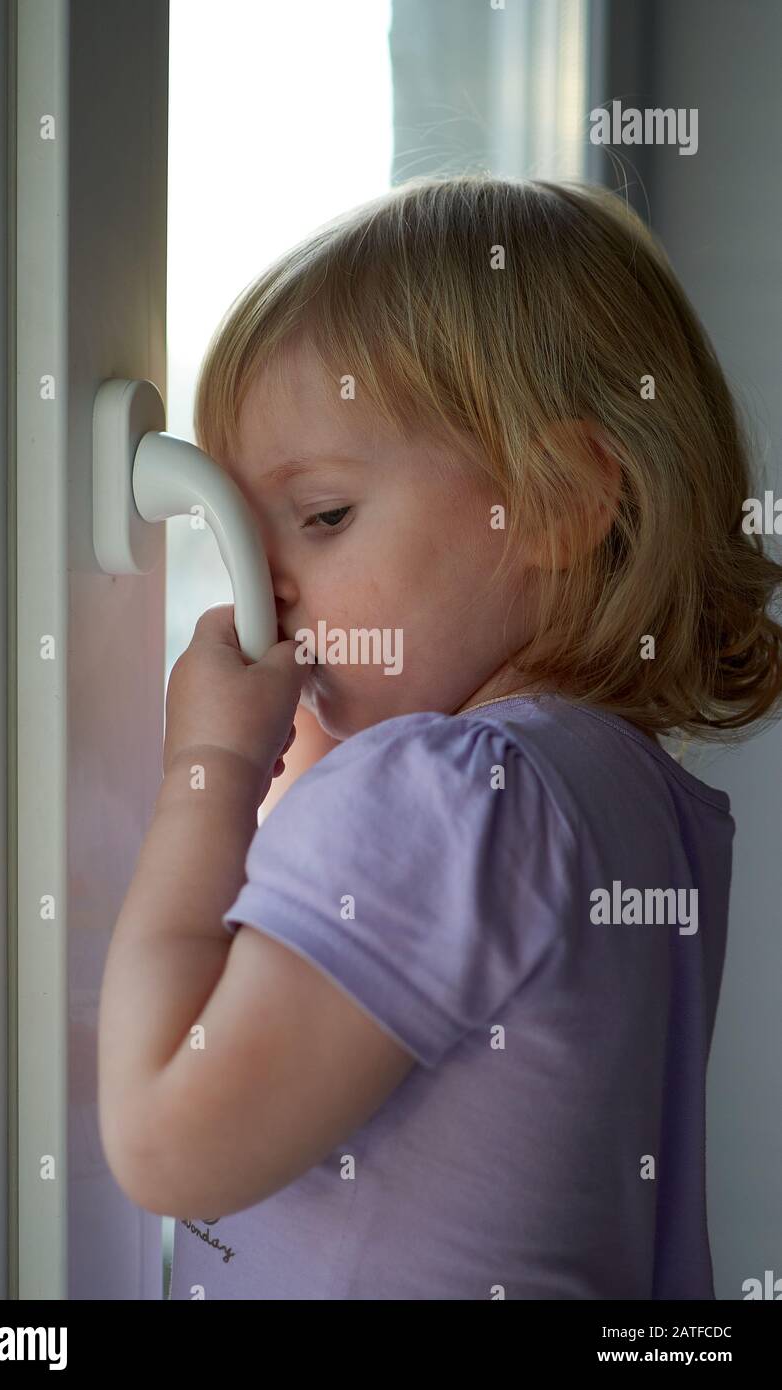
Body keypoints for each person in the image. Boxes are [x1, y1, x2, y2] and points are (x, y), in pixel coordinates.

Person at [97, 175, 782, 1300]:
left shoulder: (450, 794)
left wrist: (205, 771)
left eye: (321, 517)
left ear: (559, 501)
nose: (264, 591)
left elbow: (167, 1138)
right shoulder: (621, 802)